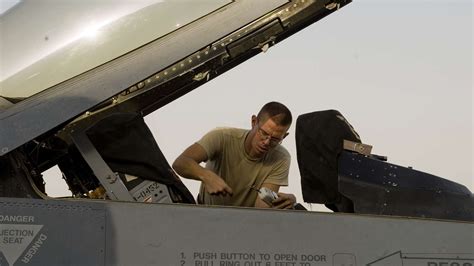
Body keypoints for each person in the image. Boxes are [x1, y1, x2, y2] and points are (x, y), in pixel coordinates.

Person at [172, 101, 296, 209]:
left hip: (243, 224)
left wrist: (285, 203)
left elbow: (262, 207)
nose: (267, 142)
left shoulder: (282, 158)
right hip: (205, 215)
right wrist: (207, 176)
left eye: (275, 139)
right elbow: (180, 163)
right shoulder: (221, 136)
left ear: (284, 136)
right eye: (264, 133)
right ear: (254, 122)